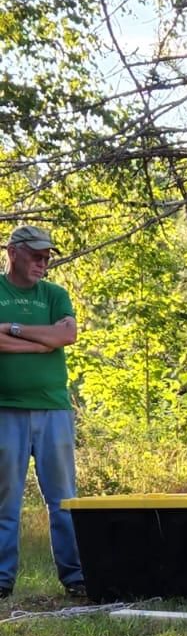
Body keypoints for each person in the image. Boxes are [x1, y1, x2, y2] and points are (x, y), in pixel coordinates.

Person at [0, 225, 87, 602]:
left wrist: (13, 330)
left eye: (47, 257)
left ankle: (76, 576)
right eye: (36, 255)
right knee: (5, 501)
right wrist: (41, 342)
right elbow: (52, 338)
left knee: (64, 500)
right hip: (6, 410)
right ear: (12, 252)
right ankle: (1, 580)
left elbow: (66, 336)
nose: (43, 262)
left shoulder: (54, 294)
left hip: (54, 410)